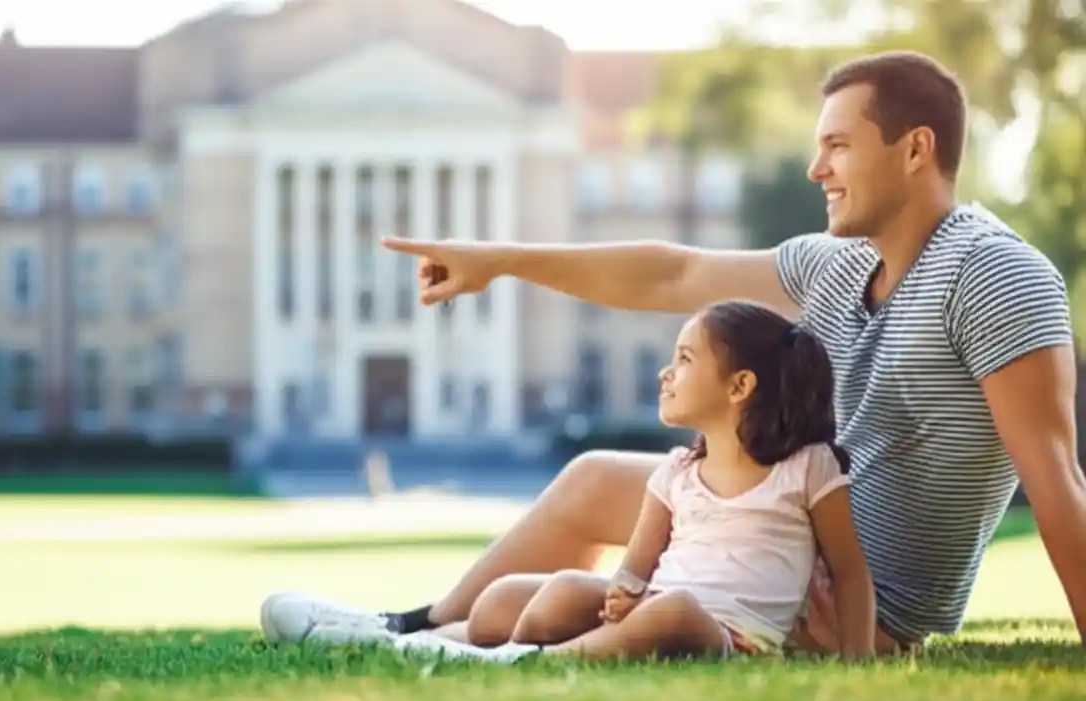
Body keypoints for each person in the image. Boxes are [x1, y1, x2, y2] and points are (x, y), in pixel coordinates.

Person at [261, 49, 1086, 653]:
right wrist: (502, 261)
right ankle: (417, 628)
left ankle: (439, 647)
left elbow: (1057, 486)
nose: (814, 167)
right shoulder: (840, 265)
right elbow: (672, 273)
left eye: (838, 145)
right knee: (589, 481)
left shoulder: (995, 277)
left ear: (915, 150)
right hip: (778, 539)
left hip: (848, 600)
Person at [271, 302, 876, 664]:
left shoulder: (808, 470)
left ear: (740, 387)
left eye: (687, 359)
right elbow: (638, 562)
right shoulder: (675, 472)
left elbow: (849, 571)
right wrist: (622, 592)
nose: (667, 371)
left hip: (724, 633)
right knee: (522, 596)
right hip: (653, 609)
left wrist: (855, 657)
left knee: (678, 613)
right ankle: (456, 640)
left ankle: (522, 661)